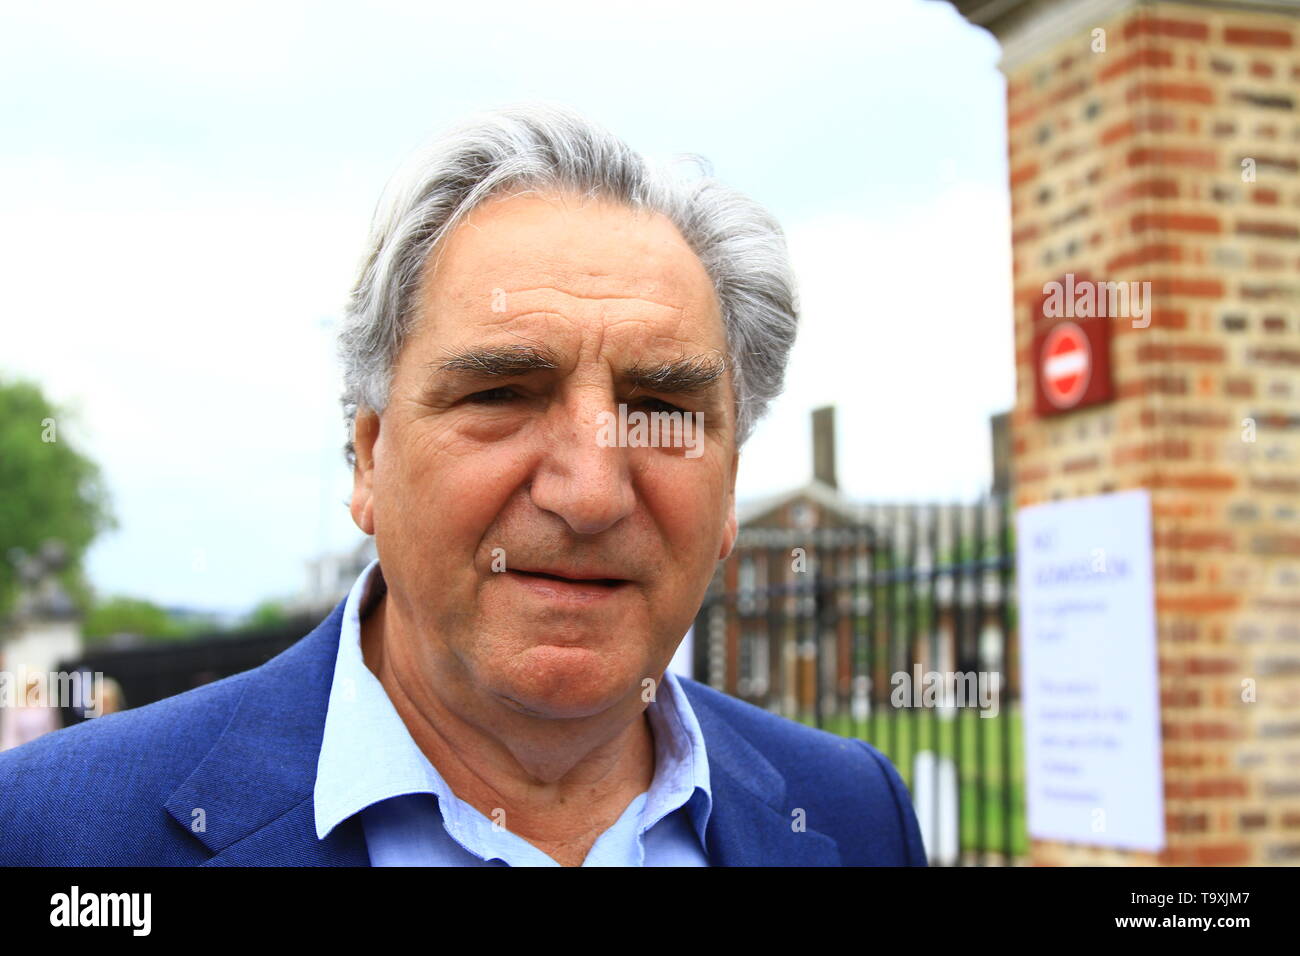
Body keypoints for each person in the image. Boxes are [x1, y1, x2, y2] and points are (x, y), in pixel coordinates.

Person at [0, 103, 925, 866]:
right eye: (502, 394)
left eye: (661, 407)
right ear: (367, 456)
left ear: (729, 491)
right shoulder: (59, 835)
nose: (591, 491)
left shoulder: (853, 816)